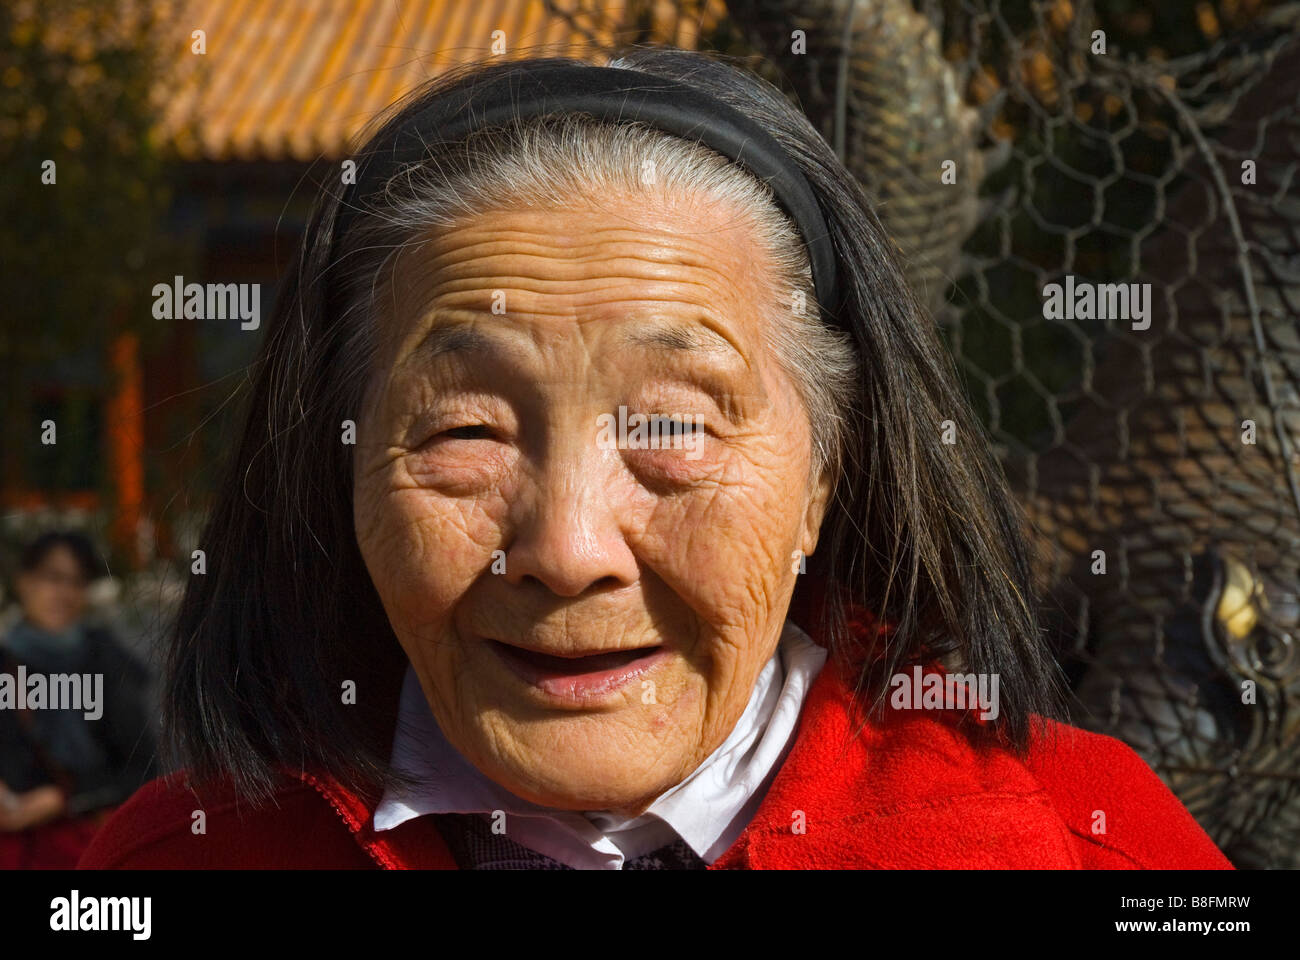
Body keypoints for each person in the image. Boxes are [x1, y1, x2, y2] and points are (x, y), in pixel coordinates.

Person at [79, 48, 1230, 869]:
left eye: (674, 425)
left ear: (826, 476)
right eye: (466, 430)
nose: (567, 552)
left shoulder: (1082, 839)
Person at [1, 531, 156, 868]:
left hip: (88, 849)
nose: (65, 593)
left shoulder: (108, 664)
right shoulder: (5, 665)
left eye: (77, 581)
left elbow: (144, 770)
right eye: (53, 577)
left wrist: (65, 799)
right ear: (23, 582)